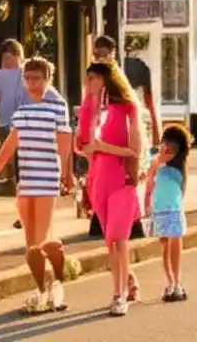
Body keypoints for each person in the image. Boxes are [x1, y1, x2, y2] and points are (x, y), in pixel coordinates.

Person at [0, 57, 74, 315]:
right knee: (30, 243)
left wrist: (67, 172)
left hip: (47, 179)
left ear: (47, 80)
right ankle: (43, 290)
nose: (32, 83)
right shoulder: (20, 113)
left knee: (40, 242)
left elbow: (65, 141)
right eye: (29, 78)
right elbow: (7, 149)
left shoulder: (58, 108)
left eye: (37, 79)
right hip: (27, 181)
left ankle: (58, 283)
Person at [80, 60, 144, 316]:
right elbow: (84, 146)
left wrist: (102, 148)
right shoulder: (90, 110)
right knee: (110, 241)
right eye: (87, 80)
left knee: (119, 238)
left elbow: (134, 150)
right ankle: (126, 284)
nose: (89, 84)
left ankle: (119, 295)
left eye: (93, 79)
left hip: (122, 179)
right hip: (99, 180)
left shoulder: (128, 108)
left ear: (106, 79)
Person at [86, 35, 157, 240]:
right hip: (102, 167)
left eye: (104, 54)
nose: (99, 58)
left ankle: (130, 230)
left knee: (119, 234)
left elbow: (132, 146)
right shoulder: (97, 93)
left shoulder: (123, 98)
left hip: (118, 165)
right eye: (96, 54)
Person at [145, 124, 191, 302]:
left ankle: (177, 282)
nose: (168, 151)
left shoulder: (180, 167)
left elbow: (182, 189)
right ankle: (171, 281)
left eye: (173, 148)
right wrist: (158, 160)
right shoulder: (156, 162)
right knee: (165, 245)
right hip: (159, 209)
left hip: (173, 208)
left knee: (175, 242)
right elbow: (149, 179)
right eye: (166, 146)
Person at [0, 39, 30, 197]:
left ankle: (12, 181)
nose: (6, 61)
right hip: (26, 122)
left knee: (8, 153)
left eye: (8, 57)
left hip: (6, 121)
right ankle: (19, 183)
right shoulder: (29, 73)